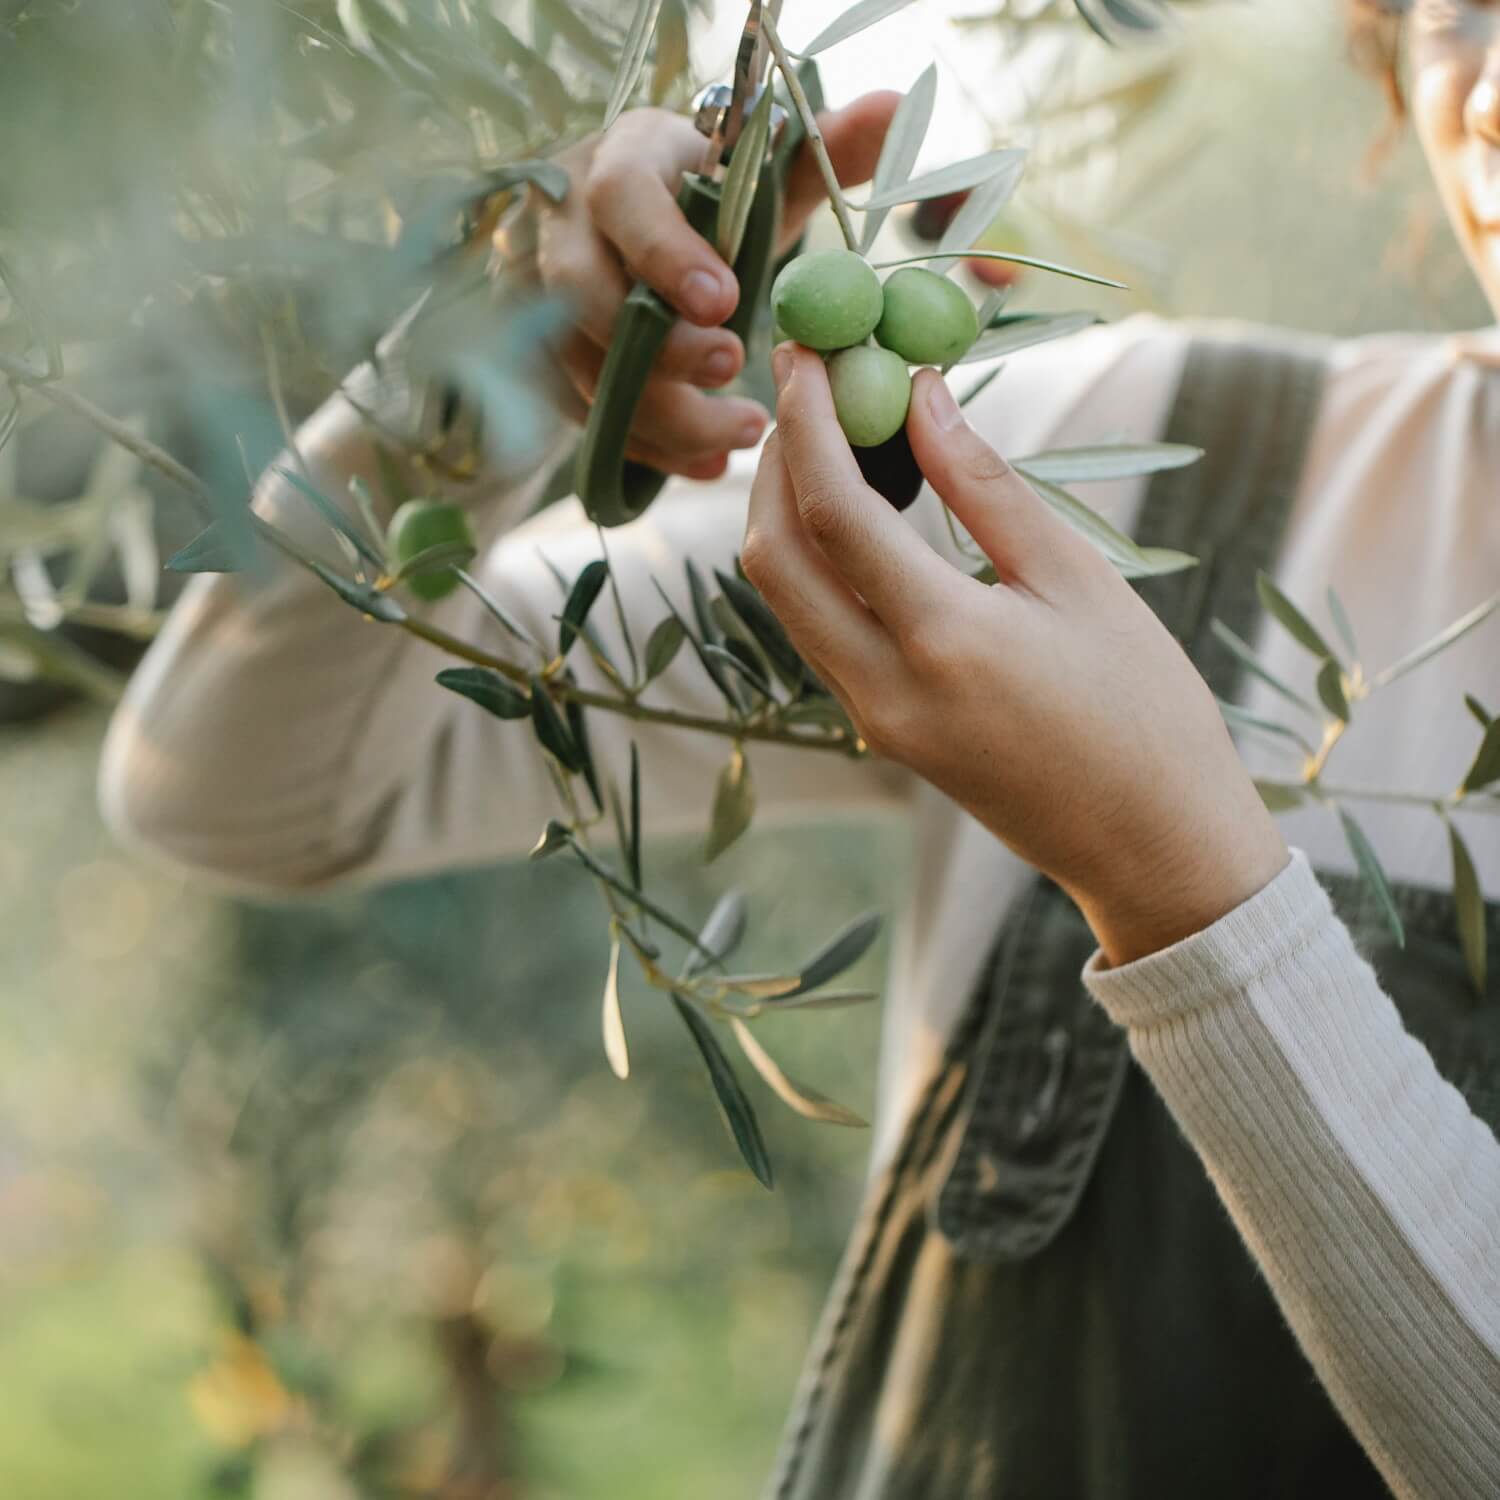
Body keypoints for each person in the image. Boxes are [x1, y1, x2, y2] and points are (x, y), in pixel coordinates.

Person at [100, 3, 1500, 1496]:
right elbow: (238, 792)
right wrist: (500, 368)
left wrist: (1182, 884)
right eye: (1452, 12)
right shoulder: (1148, 470)